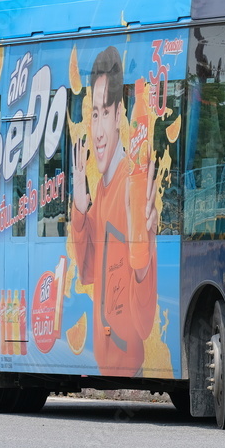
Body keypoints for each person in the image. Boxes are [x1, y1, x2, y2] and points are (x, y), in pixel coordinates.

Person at [70, 46, 159, 376]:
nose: (98, 129)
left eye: (106, 112)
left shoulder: (132, 182)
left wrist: (142, 262)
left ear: (122, 113)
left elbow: (145, 317)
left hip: (129, 362)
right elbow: (89, 271)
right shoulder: (103, 189)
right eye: (94, 114)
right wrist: (81, 207)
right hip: (105, 361)